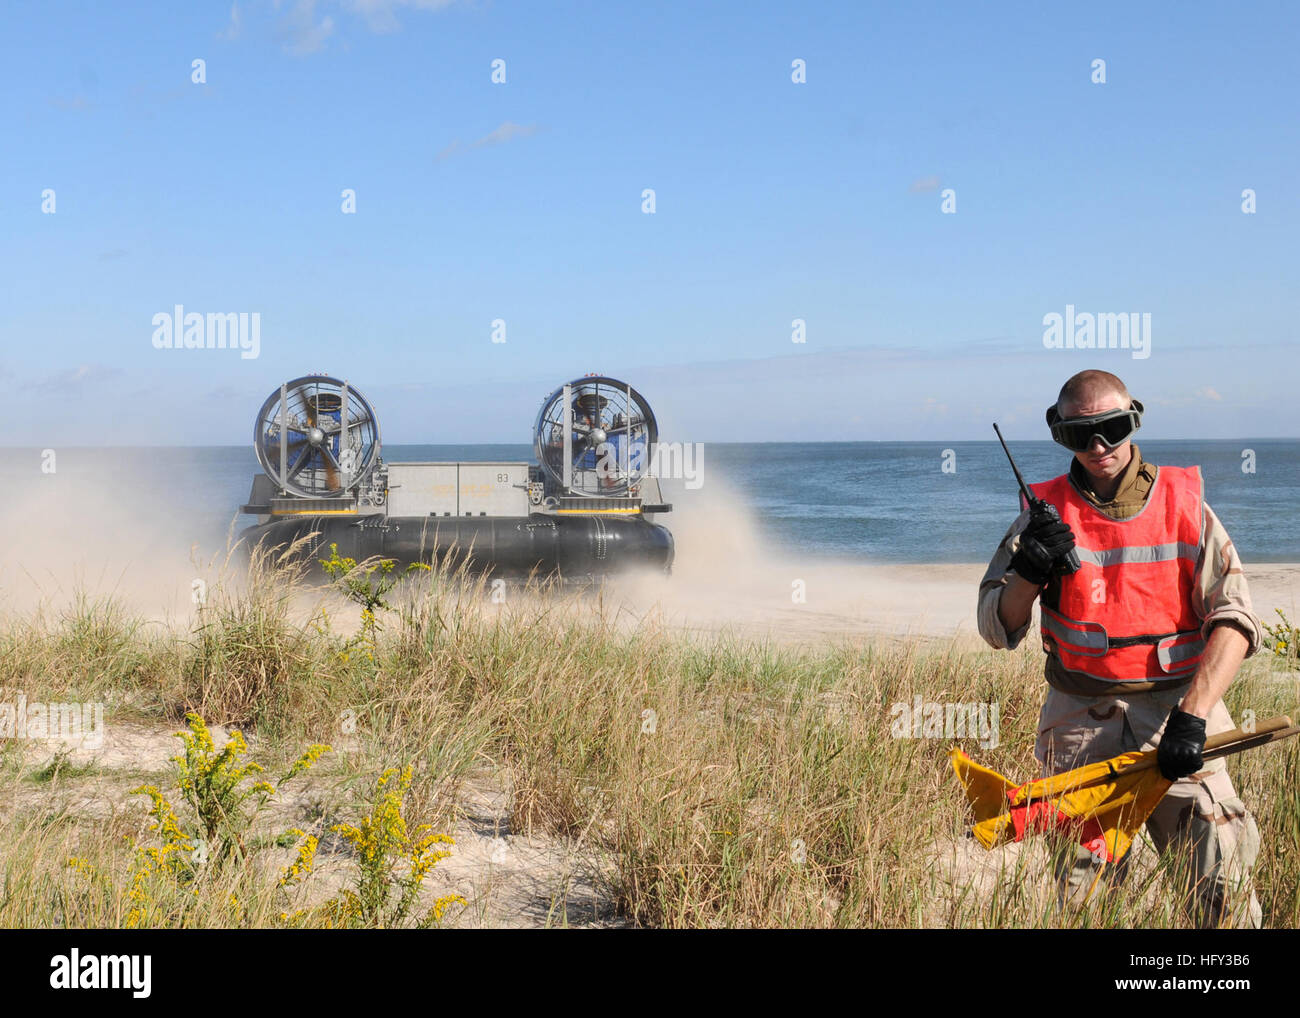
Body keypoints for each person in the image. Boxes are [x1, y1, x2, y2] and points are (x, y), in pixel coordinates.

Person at [976, 369, 1263, 927]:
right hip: (1079, 724)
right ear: (1057, 431)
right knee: (1085, 899)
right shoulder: (1042, 515)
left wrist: (1194, 718)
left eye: (1111, 427)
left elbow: (1237, 616)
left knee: (1222, 887)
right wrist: (1029, 571)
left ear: (1134, 416)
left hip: (1179, 716)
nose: (1099, 446)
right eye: (1081, 434)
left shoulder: (1185, 503)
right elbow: (995, 627)